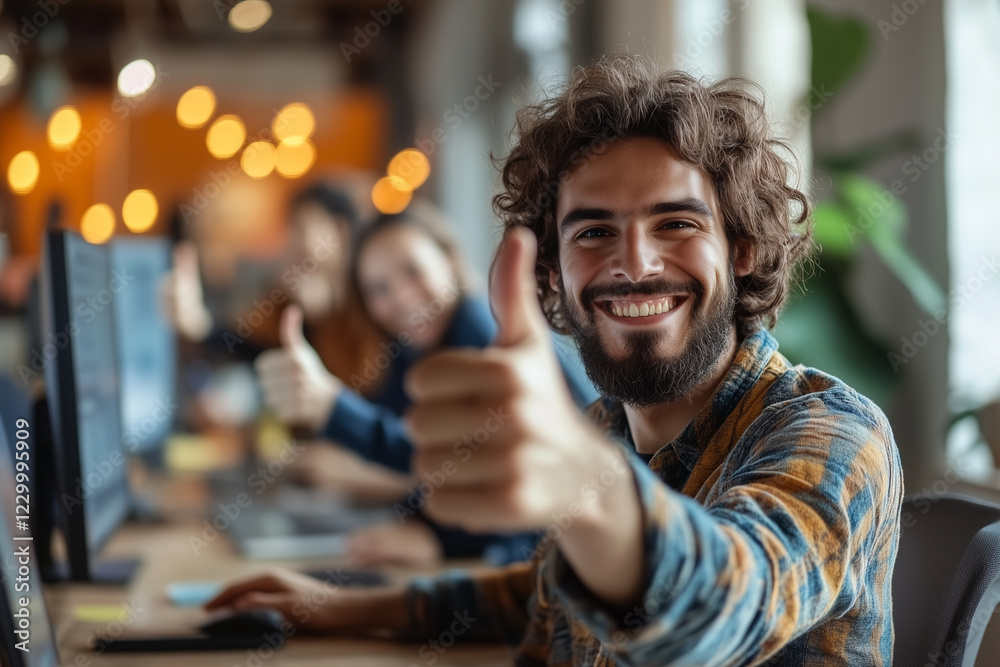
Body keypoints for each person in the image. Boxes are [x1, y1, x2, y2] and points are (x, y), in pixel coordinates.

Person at [207, 54, 903, 666]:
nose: (635, 263)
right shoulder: (608, 427)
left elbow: (730, 604)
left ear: (742, 248)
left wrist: (591, 488)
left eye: (678, 223)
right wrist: (345, 606)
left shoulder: (833, 432)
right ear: (551, 275)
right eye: (594, 230)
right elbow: (543, 596)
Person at [256, 202, 598, 565]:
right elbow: (415, 448)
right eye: (378, 288)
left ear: (450, 262)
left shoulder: (477, 325)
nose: (400, 297)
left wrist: (443, 542)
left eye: (412, 271)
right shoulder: (413, 347)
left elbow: (479, 465)